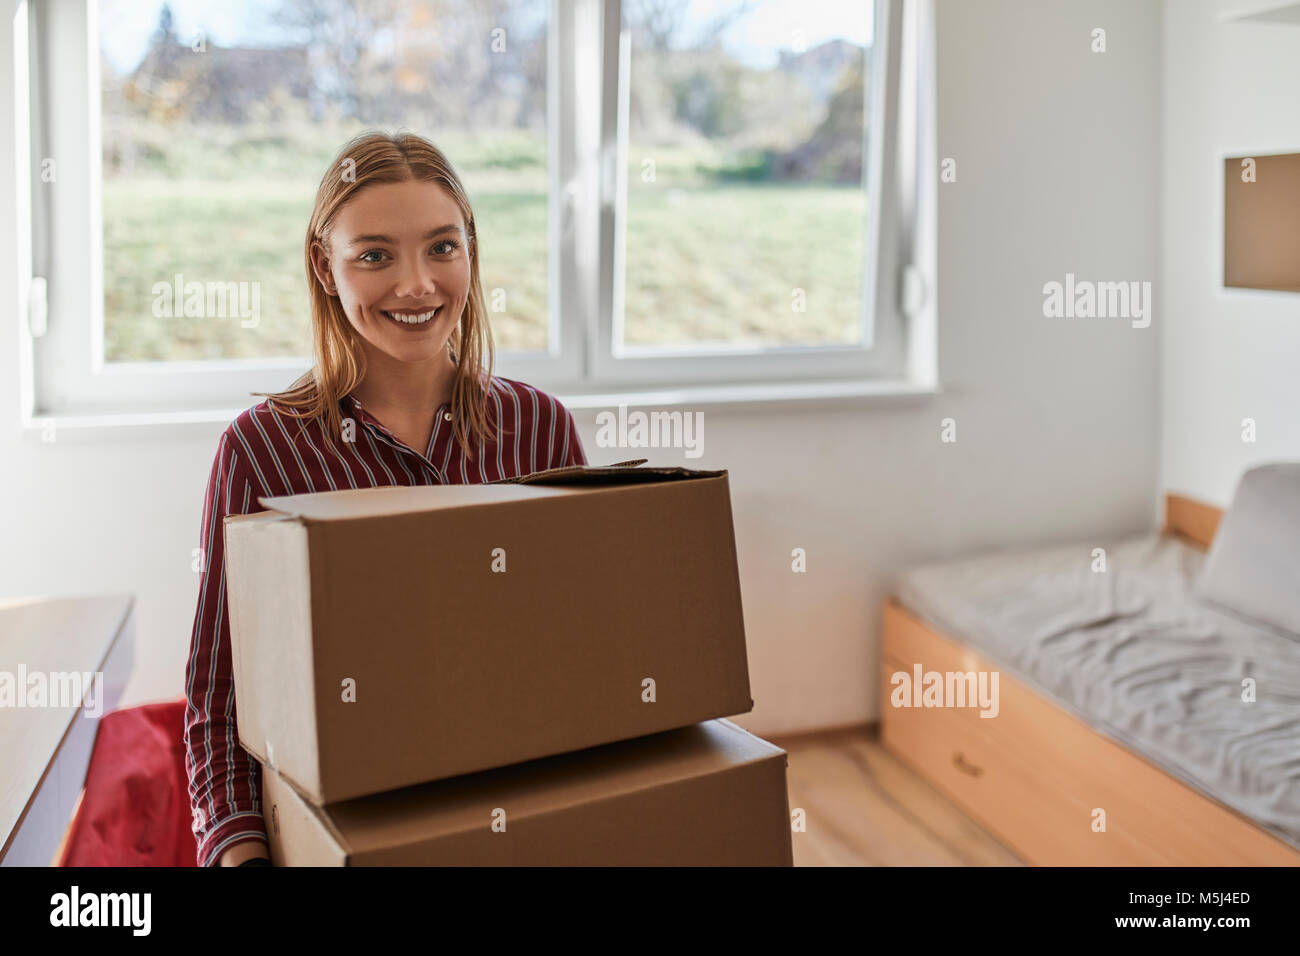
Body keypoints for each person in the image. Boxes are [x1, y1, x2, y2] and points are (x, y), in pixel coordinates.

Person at [183, 131, 587, 867]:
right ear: (324, 267)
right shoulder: (262, 452)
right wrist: (241, 857)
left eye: (442, 248)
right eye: (374, 255)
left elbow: (591, 661)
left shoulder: (540, 430)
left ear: (471, 251)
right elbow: (219, 707)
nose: (417, 286)